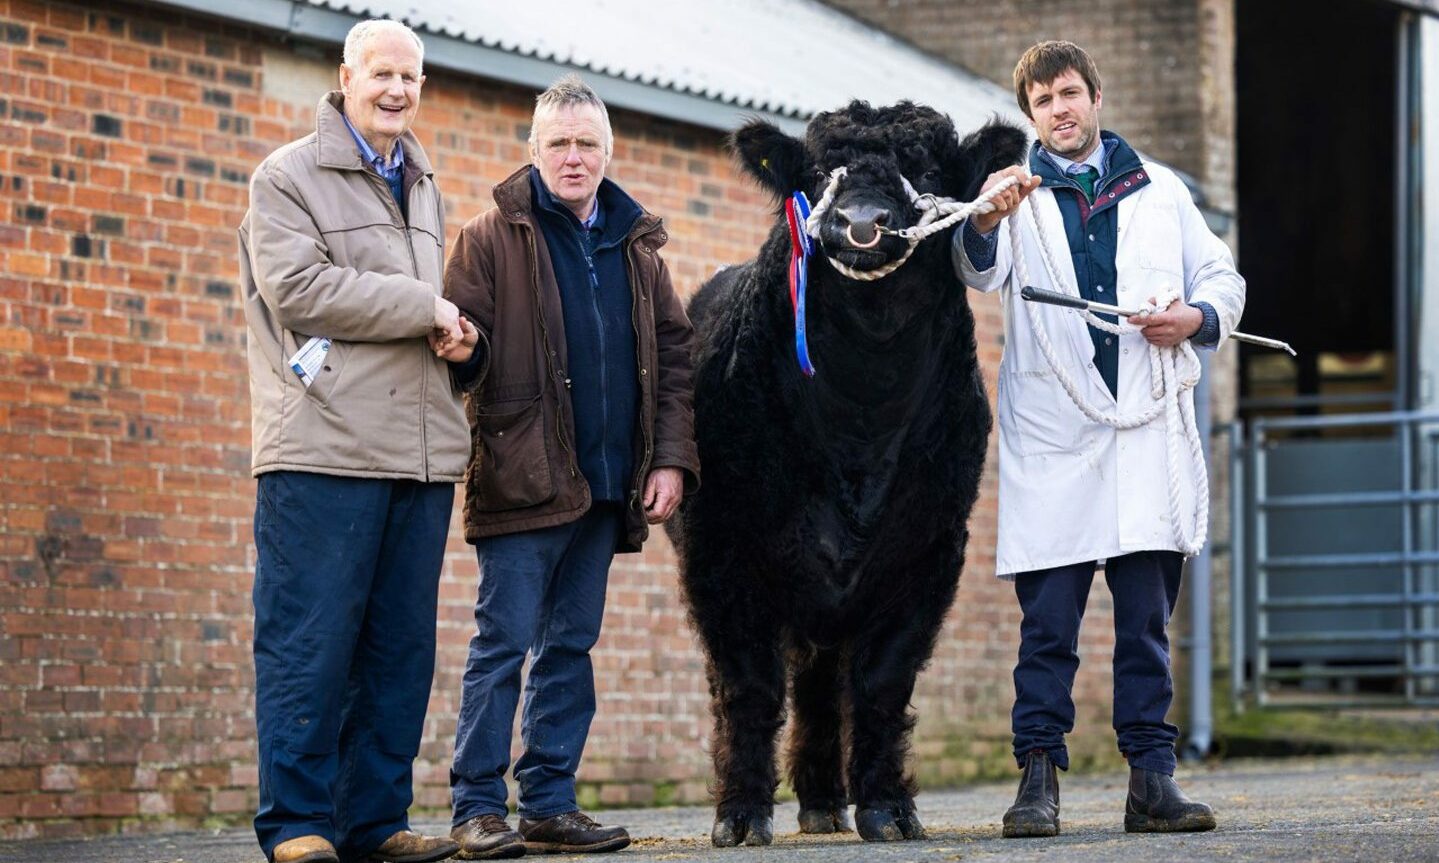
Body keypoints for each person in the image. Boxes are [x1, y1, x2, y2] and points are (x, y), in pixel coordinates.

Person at [953, 41, 1245, 838]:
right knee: (1046, 626)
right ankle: (1037, 779)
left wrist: (1194, 318)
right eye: (1042, 100)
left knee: (1145, 626)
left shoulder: (1161, 191)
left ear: (1096, 97)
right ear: (1029, 114)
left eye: (1069, 93)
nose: (1059, 109)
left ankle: (1152, 781)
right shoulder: (1015, 195)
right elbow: (977, 270)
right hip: (1054, 435)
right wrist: (981, 218)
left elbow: (1221, 278)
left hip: (1145, 427)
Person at [437, 74, 699, 859]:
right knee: (501, 642)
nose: (574, 157)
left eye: (588, 144)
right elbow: (465, 348)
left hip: (606, 484)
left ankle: (548, 801)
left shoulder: (637, 248)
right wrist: (466, 348)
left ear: (608, 152)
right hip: (523, 478)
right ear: (534, 151)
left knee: (569, 646)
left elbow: (675, 361)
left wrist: (669, 460)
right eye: (559, 143)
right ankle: (477, 806)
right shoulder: (490, 237)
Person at [239, 18, 474, 863]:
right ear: (345, 77)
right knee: (310, 641)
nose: (397, 91)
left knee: (398, 651)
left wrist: (460, 339)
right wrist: (425, 310)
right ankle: (298, 823)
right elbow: (300, 290)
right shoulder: (288, 177)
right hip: (322, 447)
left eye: (410, 78)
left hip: (417, 454)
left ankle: (375, 822)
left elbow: (420, 311)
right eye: (381, 74)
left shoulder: (423, 183)